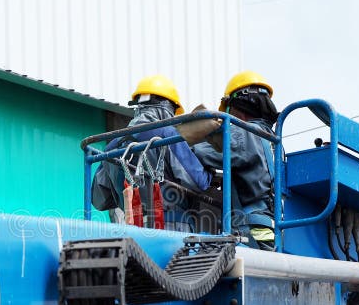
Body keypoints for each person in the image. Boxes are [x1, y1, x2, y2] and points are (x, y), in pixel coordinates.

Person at [91, 75, 212, 231]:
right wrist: (208, 171)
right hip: (171, 227)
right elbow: (198, 182)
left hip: (131, 230)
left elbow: (98, 200)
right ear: (167, 107)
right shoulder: (167, 134)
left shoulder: (112, 145)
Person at [192, 71, 278, 250]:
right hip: (270, 228)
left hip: (249, 231)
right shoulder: (274, 140)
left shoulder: (243, 132)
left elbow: (200, 152)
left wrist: (175, 142)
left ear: (240, 106)